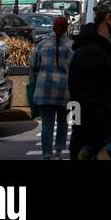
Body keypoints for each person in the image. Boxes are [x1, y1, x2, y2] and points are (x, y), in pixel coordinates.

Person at [68, 0, 111, 160]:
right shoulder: (90, 54)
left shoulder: (109, 51)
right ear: (108, 18)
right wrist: (99, 148)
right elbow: (81, 105)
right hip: (98, 151)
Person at [28, 15, 73, 159]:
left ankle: (47, 155)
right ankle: (59, 152)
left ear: (53, 27)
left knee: (47, 124)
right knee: (62, 123)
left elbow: (34, 66)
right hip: (65, 92)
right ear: (67, 28)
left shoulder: (42, 45)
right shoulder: (73, 47)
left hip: (44, 91)